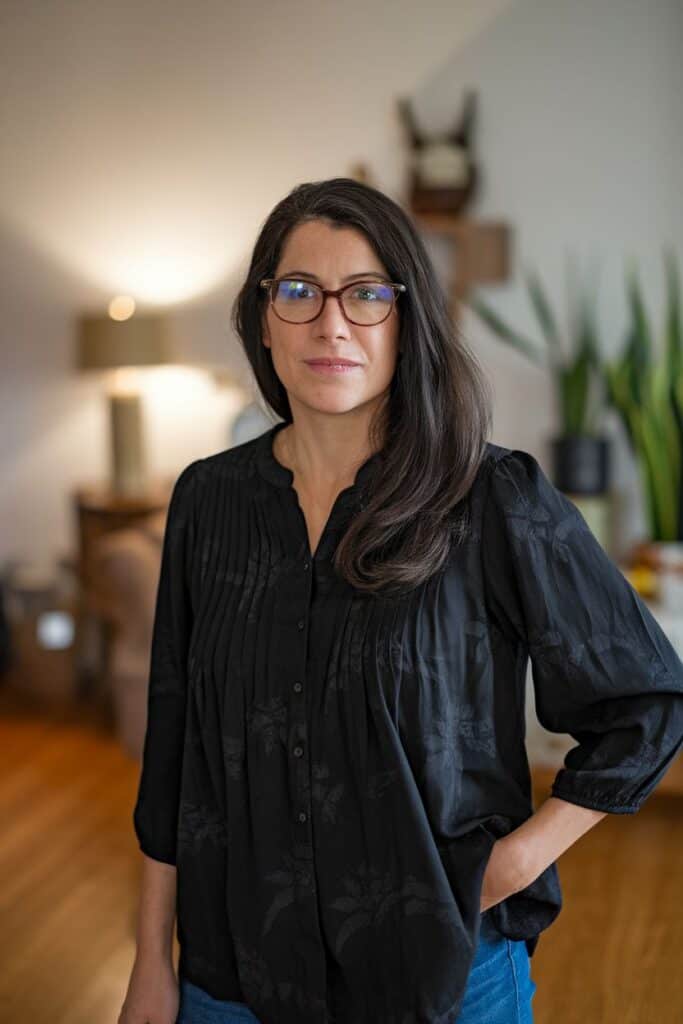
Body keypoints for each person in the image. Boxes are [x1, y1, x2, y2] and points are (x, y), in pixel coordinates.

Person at [118, 178, 683, 1024]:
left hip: (440, 977)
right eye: (299, 291)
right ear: (262, 317)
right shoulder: (208, 499)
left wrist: (507, 868)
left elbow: (644, 700)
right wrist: (149, 963)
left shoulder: (491, 496)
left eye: (367, 294)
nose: (331, 323)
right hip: (233, 976)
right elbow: (175, 750)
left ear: (407, 319)